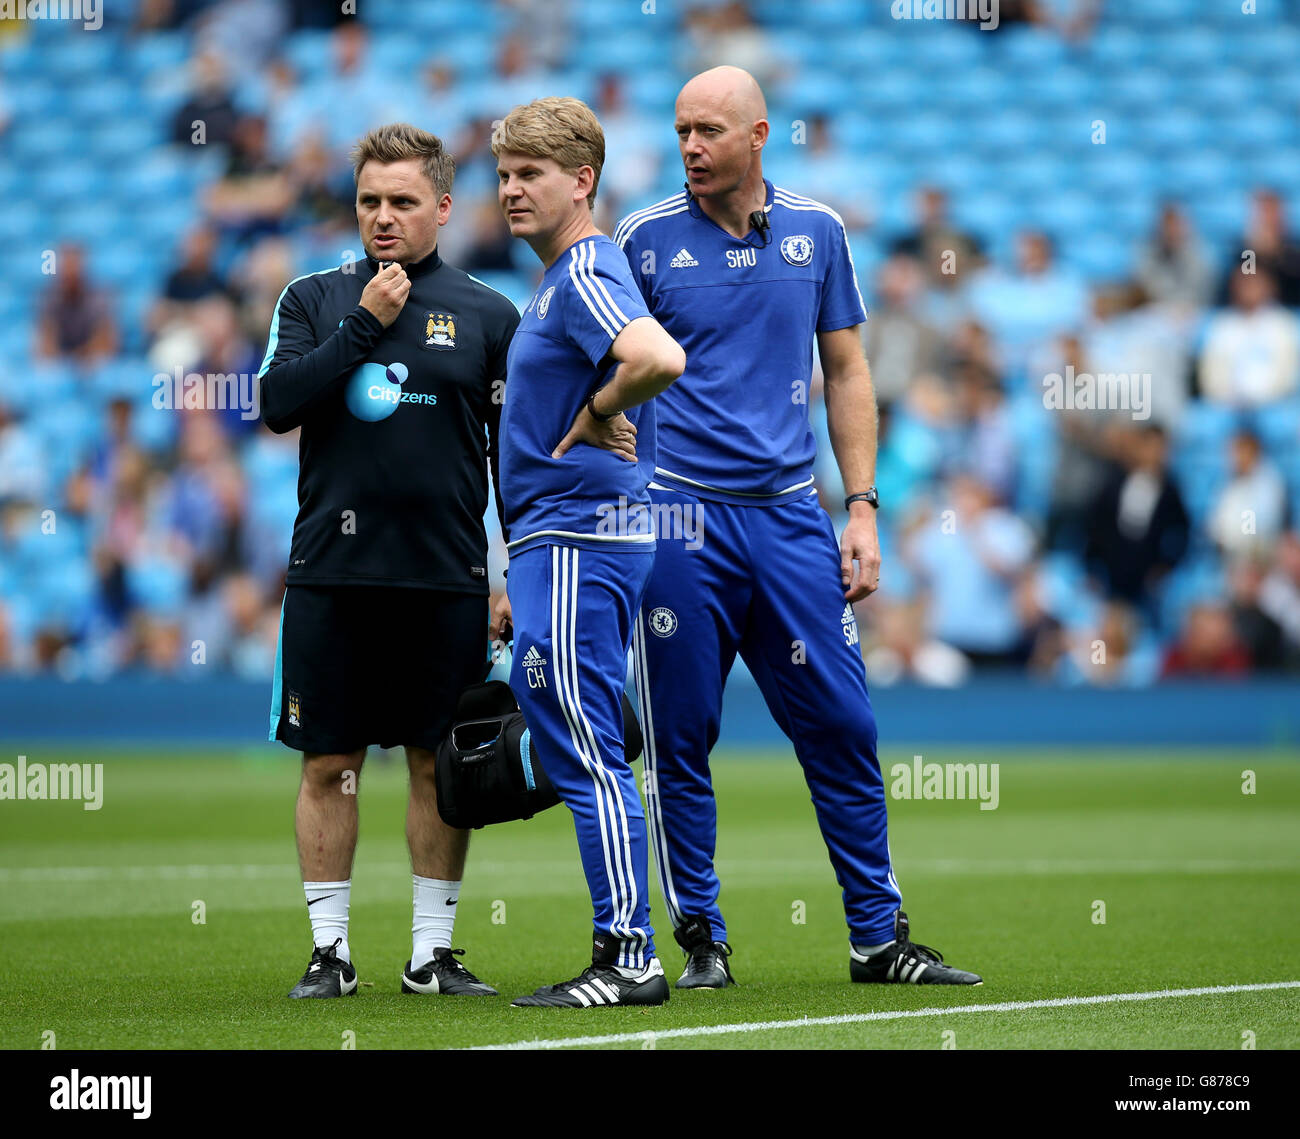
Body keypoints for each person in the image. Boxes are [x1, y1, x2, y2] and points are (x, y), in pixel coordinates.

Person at [613, 66, 981, 987]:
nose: (690, 147)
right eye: (680, 130)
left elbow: (848, 372)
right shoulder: (644, 240)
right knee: (680, 735)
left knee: (844, 722)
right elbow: (600, 377)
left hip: (788, 517)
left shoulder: (817, 232)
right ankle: (701, 939)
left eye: (708, 130)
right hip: (678, 523)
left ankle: (877, 937)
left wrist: (860, 506)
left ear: (759, 134)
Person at [258, 123, 520, 999]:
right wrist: (365, 325)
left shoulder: (489, 314)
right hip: (332, 573)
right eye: (370, 200)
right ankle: (328, 951)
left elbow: (507, 457)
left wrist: (510, 568)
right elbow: (278, 403)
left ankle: (431, 954)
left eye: (402, 201)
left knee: (432, 765)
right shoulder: (312, 298)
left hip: (446, 579)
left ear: (442, 206)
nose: (382, 216)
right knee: (329, 763)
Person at [489, 96, 686, 1007]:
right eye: (503, 174)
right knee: (583, 738)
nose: (510, 190)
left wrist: (602, 409)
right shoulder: (555, 279)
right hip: (554, 542)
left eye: (530, 173)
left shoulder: (582, 269)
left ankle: (628, 956)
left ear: (583, 181)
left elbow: (656, 356)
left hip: (576, 536)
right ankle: (626, 945)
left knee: (586, 746)